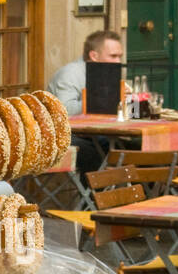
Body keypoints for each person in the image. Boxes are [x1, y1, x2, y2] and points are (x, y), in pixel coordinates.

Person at [48, 31, 123, 176]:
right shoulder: (71, 74)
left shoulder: (107, 72)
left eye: (120, 56)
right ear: (94, 56)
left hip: (95, 133)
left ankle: (142, 194)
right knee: (95, 152)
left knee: (132, 149)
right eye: (113, 56)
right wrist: (101, 98)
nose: (118, 61)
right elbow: (66, 110)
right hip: (62, 135)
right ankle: (98, 196)